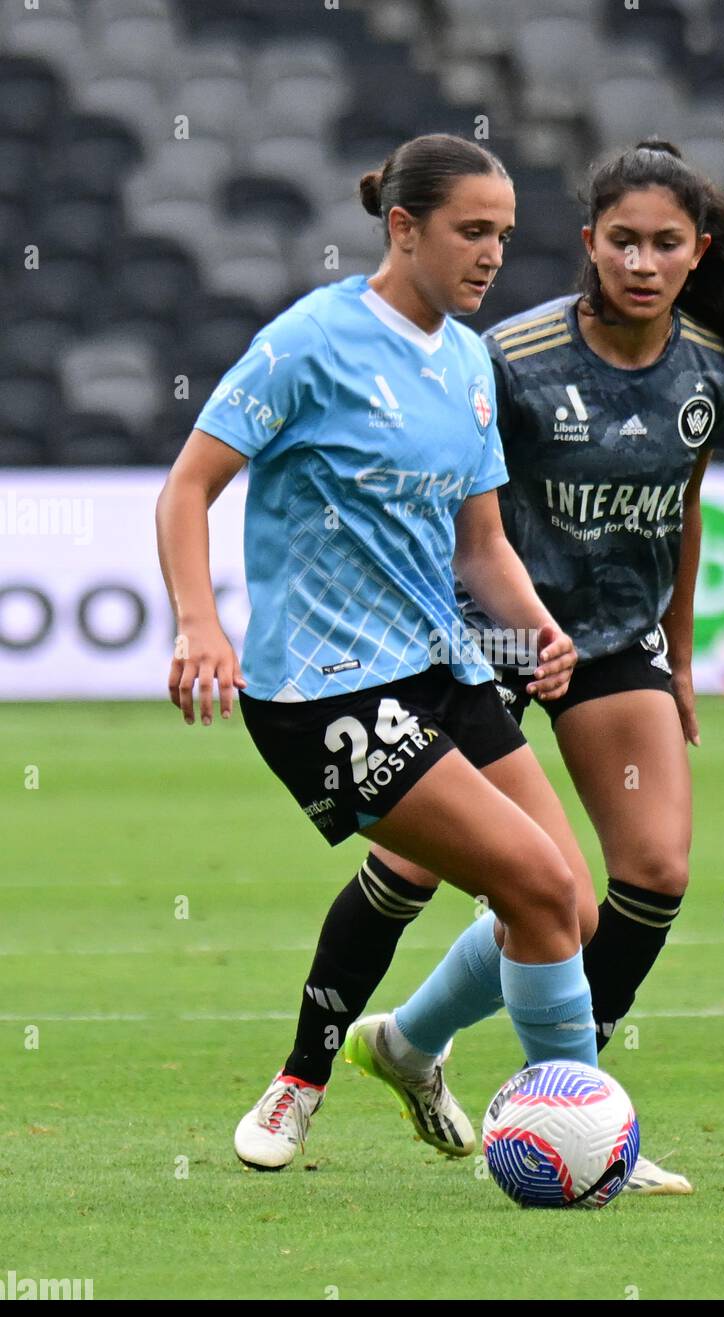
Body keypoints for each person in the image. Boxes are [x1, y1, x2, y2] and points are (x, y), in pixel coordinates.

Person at [155, 133, 606, 1172]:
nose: (491, 255)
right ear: (402, 228)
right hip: (322, 688)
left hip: (437, 668)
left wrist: (535, 627)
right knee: (536, 888)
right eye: (469, 231)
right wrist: (198, 622)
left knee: (563, 908)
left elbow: (479, 543)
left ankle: (389, 1050)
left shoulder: (466, 362)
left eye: (502, 234)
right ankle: (582, 1140)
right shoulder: (307, 344)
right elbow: (186, 487)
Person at [347, 139, 724, 1194]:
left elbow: (681, 508)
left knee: (655, 872)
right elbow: (446, 499)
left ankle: (557, 1102)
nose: (639, 260)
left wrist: (676, 656)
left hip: (614, 640)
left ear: (694, 251)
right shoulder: (514, 355)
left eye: (663, 244)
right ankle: (331, 1060)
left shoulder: (708, 369)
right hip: (490, 638)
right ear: (588, 244)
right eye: (620, 240)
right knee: (499, 879)